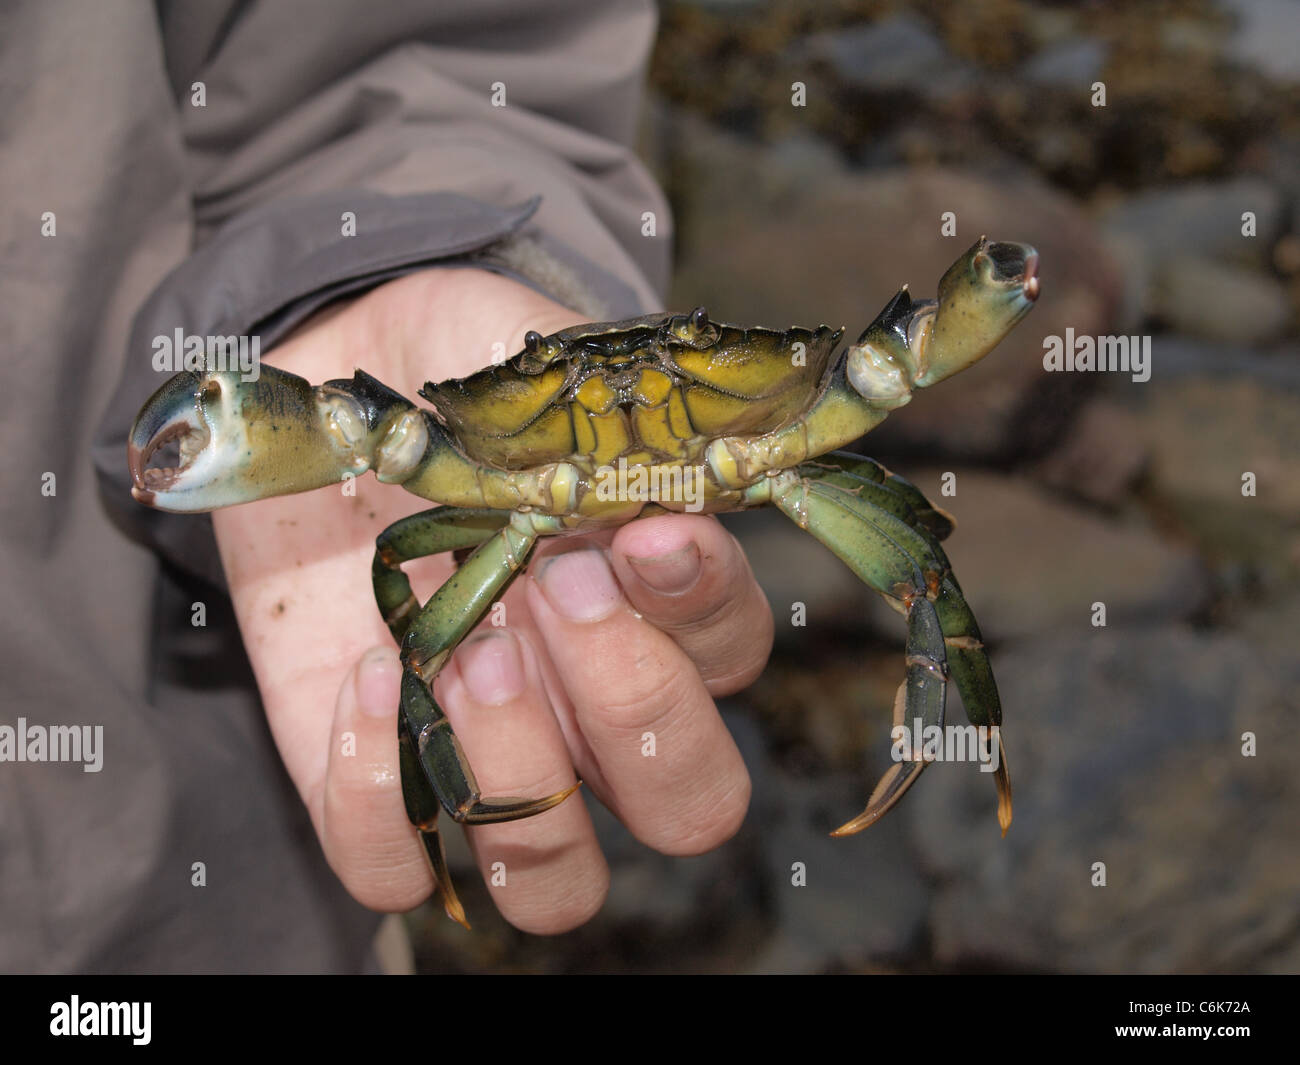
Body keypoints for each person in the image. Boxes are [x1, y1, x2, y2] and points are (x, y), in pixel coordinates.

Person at [2, 1, 771, 970]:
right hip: (192, 853)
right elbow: (397, 558)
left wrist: (375, 271)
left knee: (423, 668)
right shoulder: (440, 480)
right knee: (421, 666)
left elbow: (413, 43)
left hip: (213, 924)